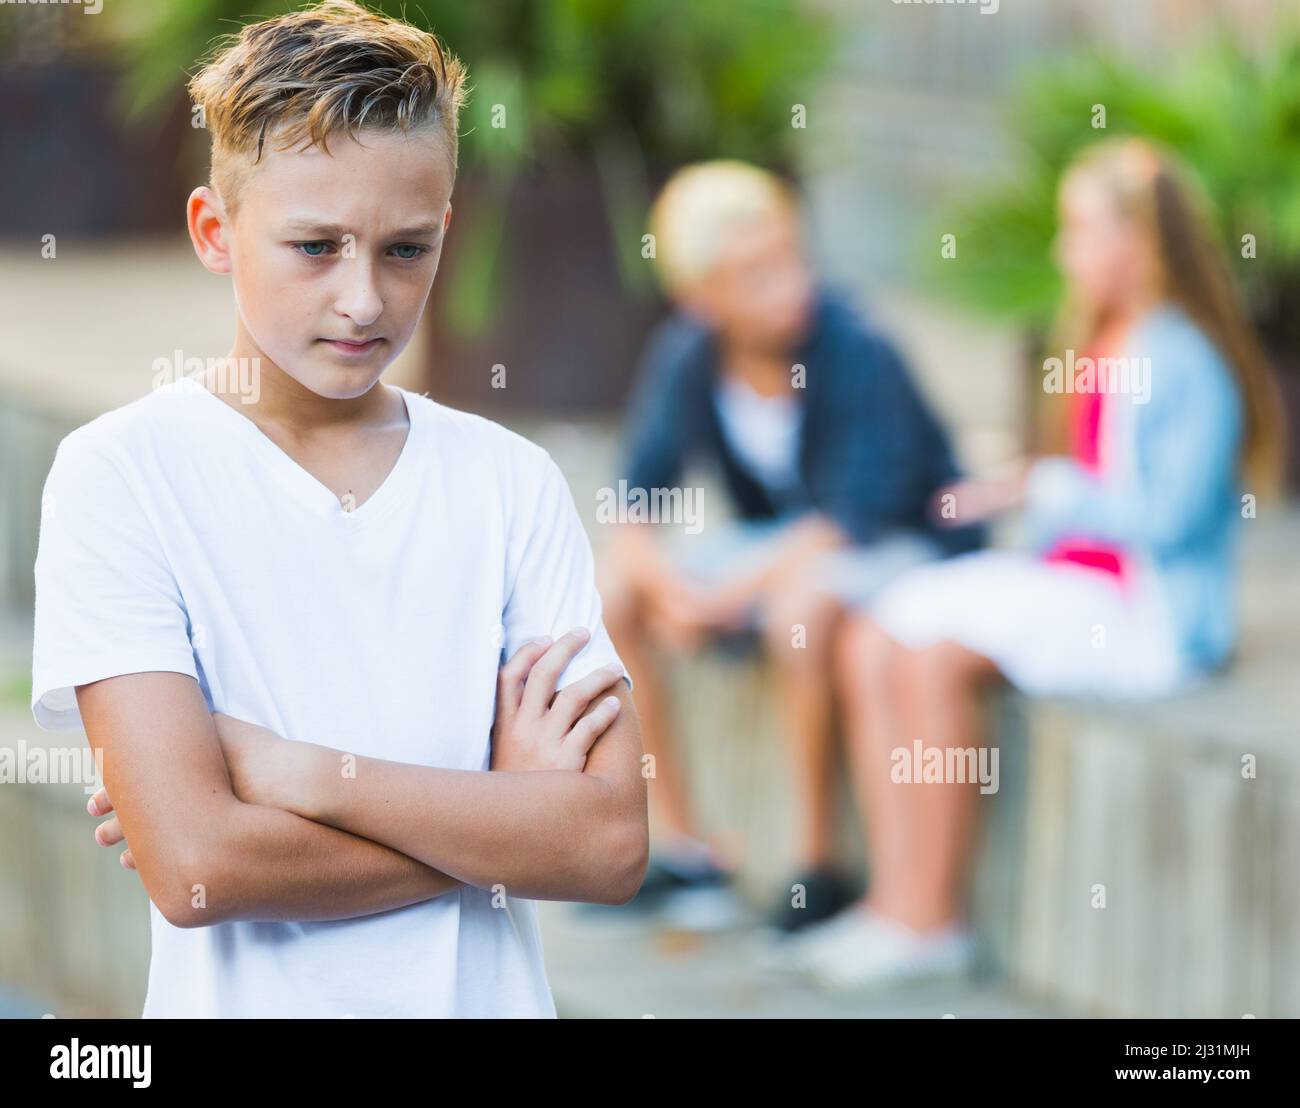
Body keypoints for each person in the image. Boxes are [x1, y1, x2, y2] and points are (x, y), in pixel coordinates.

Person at [30, 0, 646, 1018]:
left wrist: (295, 773)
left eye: (404, 250)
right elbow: (195, 869)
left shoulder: (509, 481)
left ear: (445, 230)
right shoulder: (120, 475)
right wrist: (501, 818)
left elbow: (610, 846)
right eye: (315, 247)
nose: (364, 300)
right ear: (214, 231)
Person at [794, 137, 1284, 990]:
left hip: (1150, 614)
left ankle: (930, 917)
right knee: (871, 638)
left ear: (1141, 240)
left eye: (1080, 229)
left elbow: (1170, 520)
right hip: (1077, 585)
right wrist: (1027, 493)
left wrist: (1049, 488)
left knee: (936, 657)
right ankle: (893, 901)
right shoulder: (1099, 336)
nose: (1064, 250)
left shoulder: (1187, 361)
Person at [598, 160, 983, 933]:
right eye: (756, 274)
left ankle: (818, 864)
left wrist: (723, 597)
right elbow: (633, 502)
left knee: (798, 611)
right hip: (785, 542)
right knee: (614, 593)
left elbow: (849, 520)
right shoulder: (688, 356)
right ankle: (685, 846)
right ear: (702, 296)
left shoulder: (855, 345)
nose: (789, 286)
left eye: (790, 259)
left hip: (902, 537)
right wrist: (669, 588)